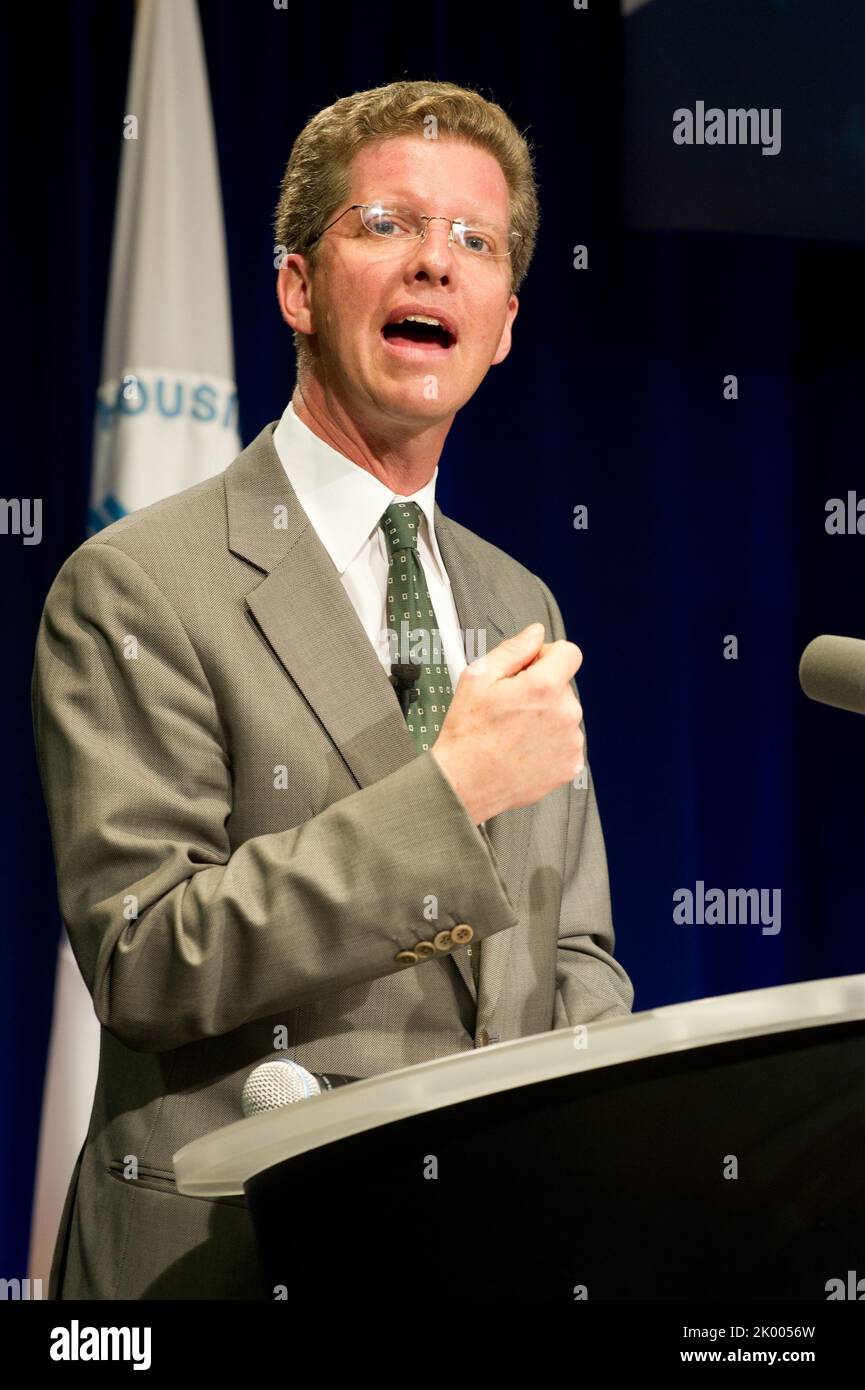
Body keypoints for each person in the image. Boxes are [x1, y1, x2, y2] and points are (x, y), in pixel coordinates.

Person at [31, 78, 634, 1301]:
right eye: (388, 226)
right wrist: (450, 792)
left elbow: (574, 949)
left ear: (506, 321)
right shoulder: (140, 584)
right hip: (238, 1254)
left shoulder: (520, 603)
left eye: (473, 243)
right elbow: (150, 953)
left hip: (486, 1251)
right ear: (298, 287)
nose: (434, 265)